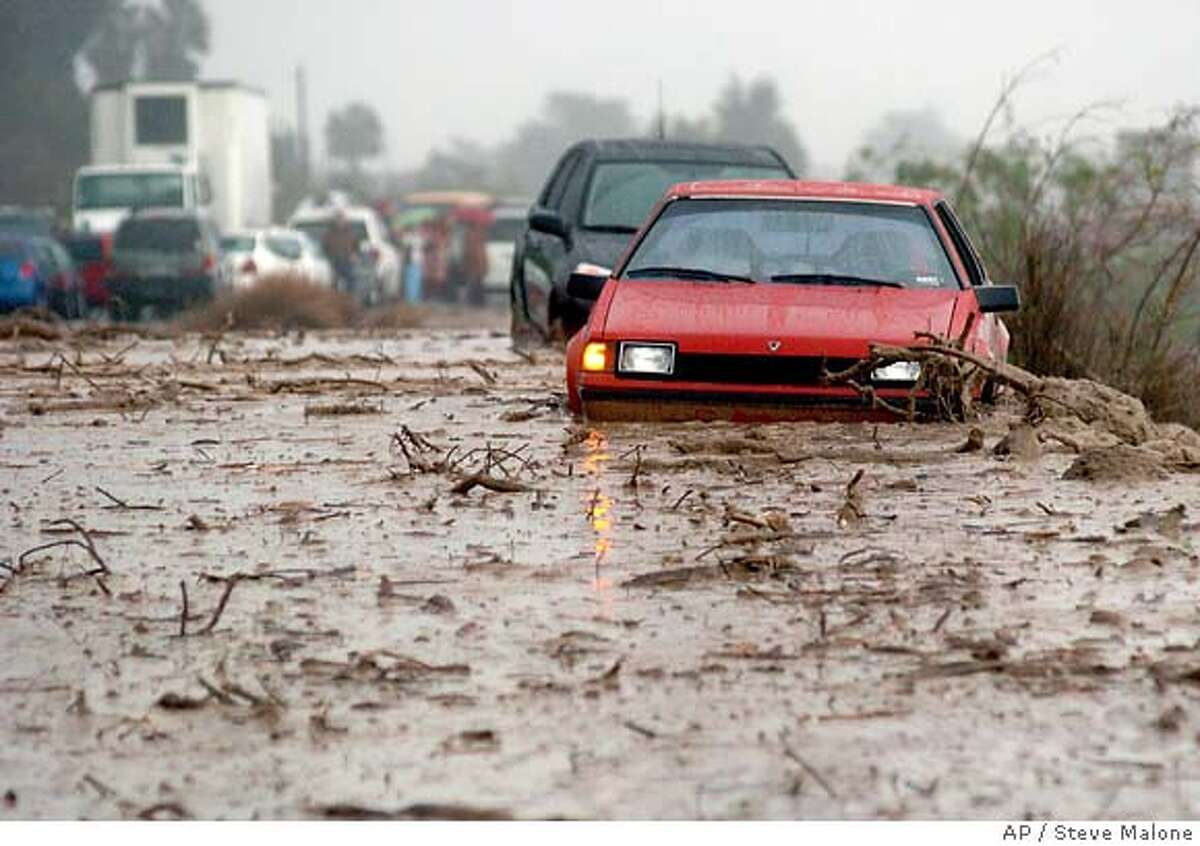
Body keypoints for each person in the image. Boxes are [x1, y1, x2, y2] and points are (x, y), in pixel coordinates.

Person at [321, 212, 358, 293]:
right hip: (334, 261)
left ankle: (349, 298)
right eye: (338, 220)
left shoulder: (350, 232)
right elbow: (324, 247)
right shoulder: (329, 234)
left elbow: (356, 246)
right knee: (334, 282)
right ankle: (335, 298)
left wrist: (354, 255)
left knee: (351, 280)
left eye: (342, 219)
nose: (340, 222)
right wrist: (329, 256)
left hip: (347, 260)